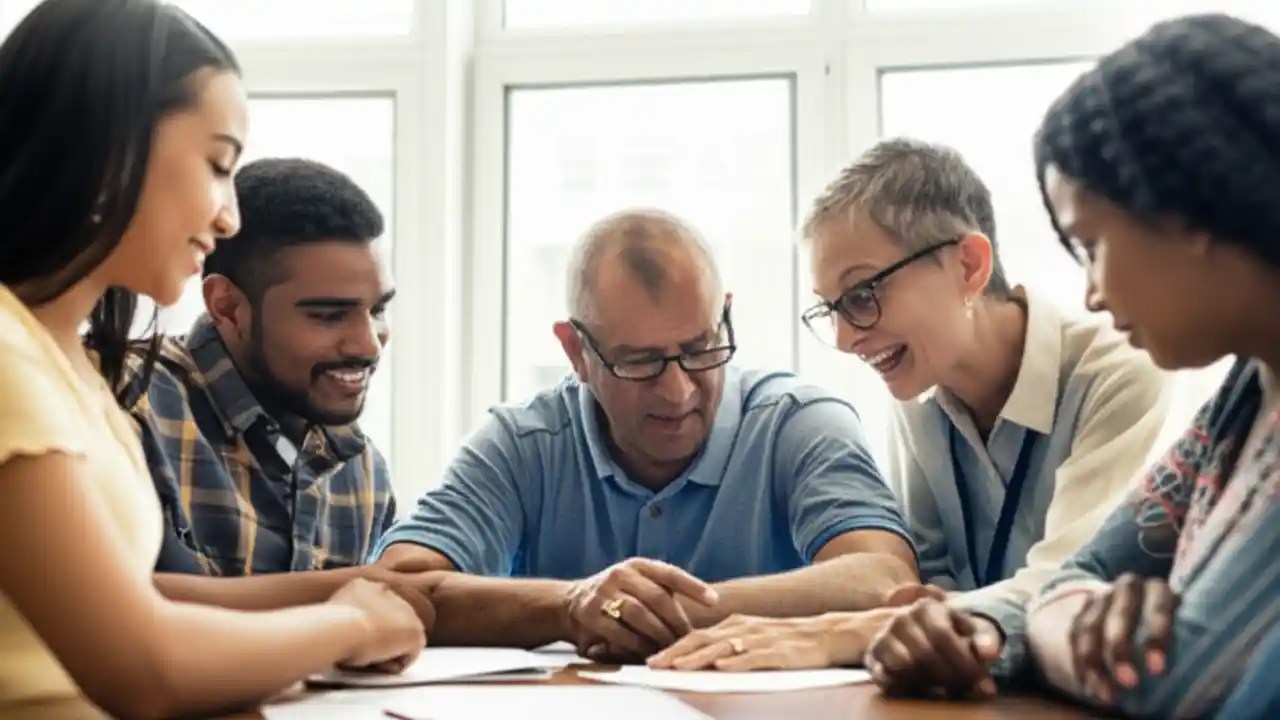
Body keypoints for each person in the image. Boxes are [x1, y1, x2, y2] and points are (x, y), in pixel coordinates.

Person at [0, 1, 424, 717]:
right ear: (112, 148)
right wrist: (351, 623)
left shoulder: (67, 364)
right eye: (218, 165)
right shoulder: (10, 360)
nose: (229, 216)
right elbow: (146, 669)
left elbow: (145, 602)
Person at [864, 14, 1280, 718]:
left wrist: (1069, 624)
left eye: (1090, 243)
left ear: (1185, 210)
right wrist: (1075, 616)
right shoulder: (1245, 393)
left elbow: (1178, 678)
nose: (1090, 290)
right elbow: (1076, 577)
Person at [649, 138, 1168, 674]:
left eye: (861, 296)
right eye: (831, 309)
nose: (847, 338)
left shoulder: (1120, 375)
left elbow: (1071, 587)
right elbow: (927, 593)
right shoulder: (920, 399)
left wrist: (836, 633)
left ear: (968, 264)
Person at [375, 208, 919, 660]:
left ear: (725, 316)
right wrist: (569, 606)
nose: (678, 390)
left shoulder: (797, 423)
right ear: (576, 353)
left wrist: (665, 609)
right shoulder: (522, 444)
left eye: (701, 349)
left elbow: (883, 577)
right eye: (640, 363)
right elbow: (393, 590)